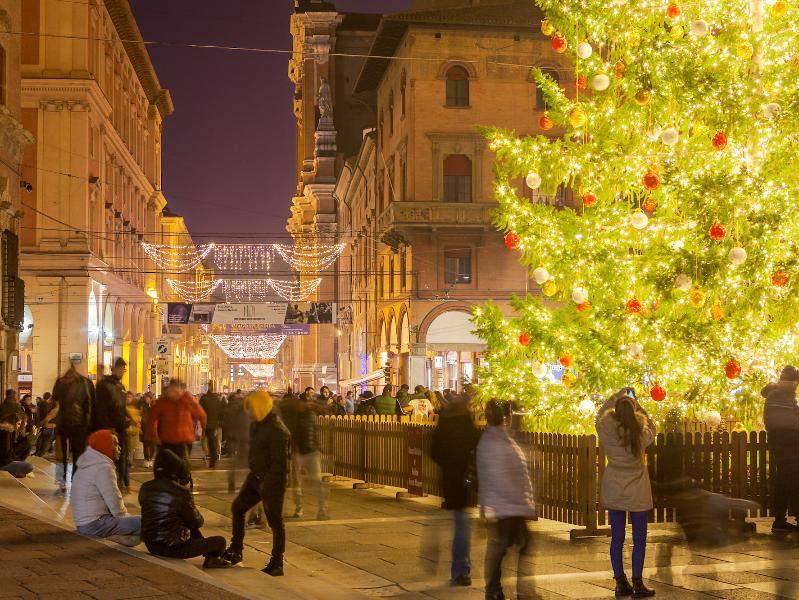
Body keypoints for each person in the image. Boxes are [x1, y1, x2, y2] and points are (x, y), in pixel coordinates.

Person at [596, 388, 657, 598]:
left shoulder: (607, 432)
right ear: (633, 413)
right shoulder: (641, 434)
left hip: (615, 490)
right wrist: (638, 404)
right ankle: (638, 583)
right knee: (639, 539)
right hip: (638, 491)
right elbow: (653, 426)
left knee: (617, 538)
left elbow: (599, 416)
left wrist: (615, 396)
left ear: (615, 412)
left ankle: (620, 582)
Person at [223, 391, 291, 576]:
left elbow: (280, 464)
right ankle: (236, 549)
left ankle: (277, 562)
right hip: (256, 477)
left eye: (251, 410)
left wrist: (268, 484)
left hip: (272, 481)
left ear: (260, 408)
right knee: (238, 508)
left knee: (275, 521)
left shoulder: (278, 430)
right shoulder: (257, 425)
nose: (249, 414)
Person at [477, 400, 536, 600]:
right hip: (506, 507)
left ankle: (507, 589)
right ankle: (499, 589)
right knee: (503, 547)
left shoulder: (499, 438)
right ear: (502, 417)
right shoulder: (495, 441)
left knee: (510, 547)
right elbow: (500, 477)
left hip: (510, 505)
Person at [139, 448, 231, 568]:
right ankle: (212, 559)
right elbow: (197, 522)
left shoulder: (145, 488)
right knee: (220, 542)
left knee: (184, 521)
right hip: (174, 548)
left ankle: (209, 556)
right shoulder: (181, 492)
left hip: (151, 545)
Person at [431, 395, 479, 587]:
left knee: (460, 525)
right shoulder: (465, 421)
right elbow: (475, 445)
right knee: (461, 526)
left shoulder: (445, 421)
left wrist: (447, 465)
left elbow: (434, 450)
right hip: (463, 480)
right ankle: (461, 570)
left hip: (451, 479)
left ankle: (460, 570)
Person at [71, 429, 141, 546]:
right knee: (149, 522)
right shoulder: (103, 468)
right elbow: (115, 503)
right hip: (95, 525)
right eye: (115, 444)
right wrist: (127, 522)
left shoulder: (89, 463)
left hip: (84, 524)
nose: (119, 448)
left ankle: (116, 536)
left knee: (134, 535)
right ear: (105, 446)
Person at [762, 365, 799, 533]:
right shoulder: (780, 396)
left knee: (784, 480)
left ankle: (779, 520)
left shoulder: (778, 395)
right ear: (791, 382)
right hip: (786, 444)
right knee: (792, 480)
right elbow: (787, 422)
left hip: (783, 443)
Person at [282, 391, 329, 519]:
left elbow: (325, 410)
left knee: (315, 482)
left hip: (310, 451)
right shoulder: (294, 416)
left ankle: (319, 508)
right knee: (299, 483)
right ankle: (302, 508)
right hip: (301, 452)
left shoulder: (309, 413)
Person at [147, 379, 207, 475]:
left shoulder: (188, 400)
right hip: (167, 440)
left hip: (183, 440)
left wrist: (203, 431)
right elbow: (152, 420)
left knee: (182, 467)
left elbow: (202, 416)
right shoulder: (163, 402)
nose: (175, 393)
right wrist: (154, 436)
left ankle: (181, 479)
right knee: (170, 466)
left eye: (177, 390)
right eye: (173, 390)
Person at [52, 365, 94, 488]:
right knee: (66, 455)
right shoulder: (65, 382)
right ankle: (66, 480)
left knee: (75, 454)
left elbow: (90, 404)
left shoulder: (84, 383)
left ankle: (69, 480)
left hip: (77, 424)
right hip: (72, 423)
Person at [93, 358, 128, 487]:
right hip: (108, 428)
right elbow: (101, 409)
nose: (123, 372)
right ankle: (108, 482)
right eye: (121, 369)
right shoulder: (104, 385)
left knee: (121, 456)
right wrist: (106, 428)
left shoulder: (121, 386)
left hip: (120, 427)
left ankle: (120, 482)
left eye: (124, 369)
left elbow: (122, 408)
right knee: (108, 457)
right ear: (113, 368)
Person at [223, 387, 251, 493]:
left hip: (233, 437)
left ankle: (231, 481)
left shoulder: (229, 408)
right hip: (245, 437)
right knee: (248, 461)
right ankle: (248, 484)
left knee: (233, 461)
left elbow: (226, 422)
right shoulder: (247, 408)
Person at [0, 391, 32, 478]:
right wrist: (18, 461)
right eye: (19, 423)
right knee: (28, 467)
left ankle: (15, 469)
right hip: (3, 461)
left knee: (27, 444)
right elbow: (6, 455)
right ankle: (12, 470)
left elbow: (17, 446)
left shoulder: (11, 430)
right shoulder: (6, 431)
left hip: (7, 458)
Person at [199, 382, 224, 468]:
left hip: (206, 423)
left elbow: (200, 411)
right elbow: (221, 411)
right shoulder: (217, 399)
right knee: (214, 440)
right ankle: (214, 456)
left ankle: (209, 455)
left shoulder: (203, 398)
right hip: (215, 423)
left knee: (206, 440)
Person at [124, 391, 141, 494]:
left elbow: (137, 425)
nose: (128, 399)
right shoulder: (123, 410)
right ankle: (126, 484)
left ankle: (126, 483)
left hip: (131, 440)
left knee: (128, 462)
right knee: (125, 462)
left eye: (130, 397)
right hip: (125, 439)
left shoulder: (134, 410)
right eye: (127, 397)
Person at [139, 393, 156, 468]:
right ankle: (146, 459)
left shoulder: (154, 406)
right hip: (144, 427)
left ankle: (151, 459)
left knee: (152, 445)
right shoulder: (142, 406)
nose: (147, 399)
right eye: (146, 398)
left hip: (152, 428)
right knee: (145, 445)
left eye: (148, 398)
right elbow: (140, 415)